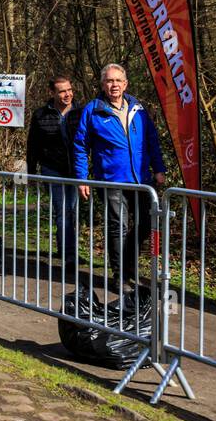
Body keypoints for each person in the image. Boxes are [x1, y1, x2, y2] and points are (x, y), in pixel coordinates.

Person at [72, 64, 166, 281]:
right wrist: (82, 178)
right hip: (111, 180)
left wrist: (159, 169)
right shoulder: (93, 109)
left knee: (146, 224)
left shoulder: (138, 109)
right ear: (103, 84)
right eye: (109, 81)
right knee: (117, 228)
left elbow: (152, 141)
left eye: (117, 81)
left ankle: (129, 264)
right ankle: (121, 276)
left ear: (125, 84)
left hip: (141, 180)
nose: (113, 85)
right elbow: (80, 146)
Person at [26, 76, 83, 264]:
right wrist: (31, 171)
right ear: (52, 93)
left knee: (72, 211)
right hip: (52, 169)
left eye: (69, 90)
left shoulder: (81, 112)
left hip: (75, 169)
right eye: (62, 91)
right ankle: (69, 255)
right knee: (62, 211)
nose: (68, 94)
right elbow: (33, 144)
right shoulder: (41, 115)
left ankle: (68, 249)